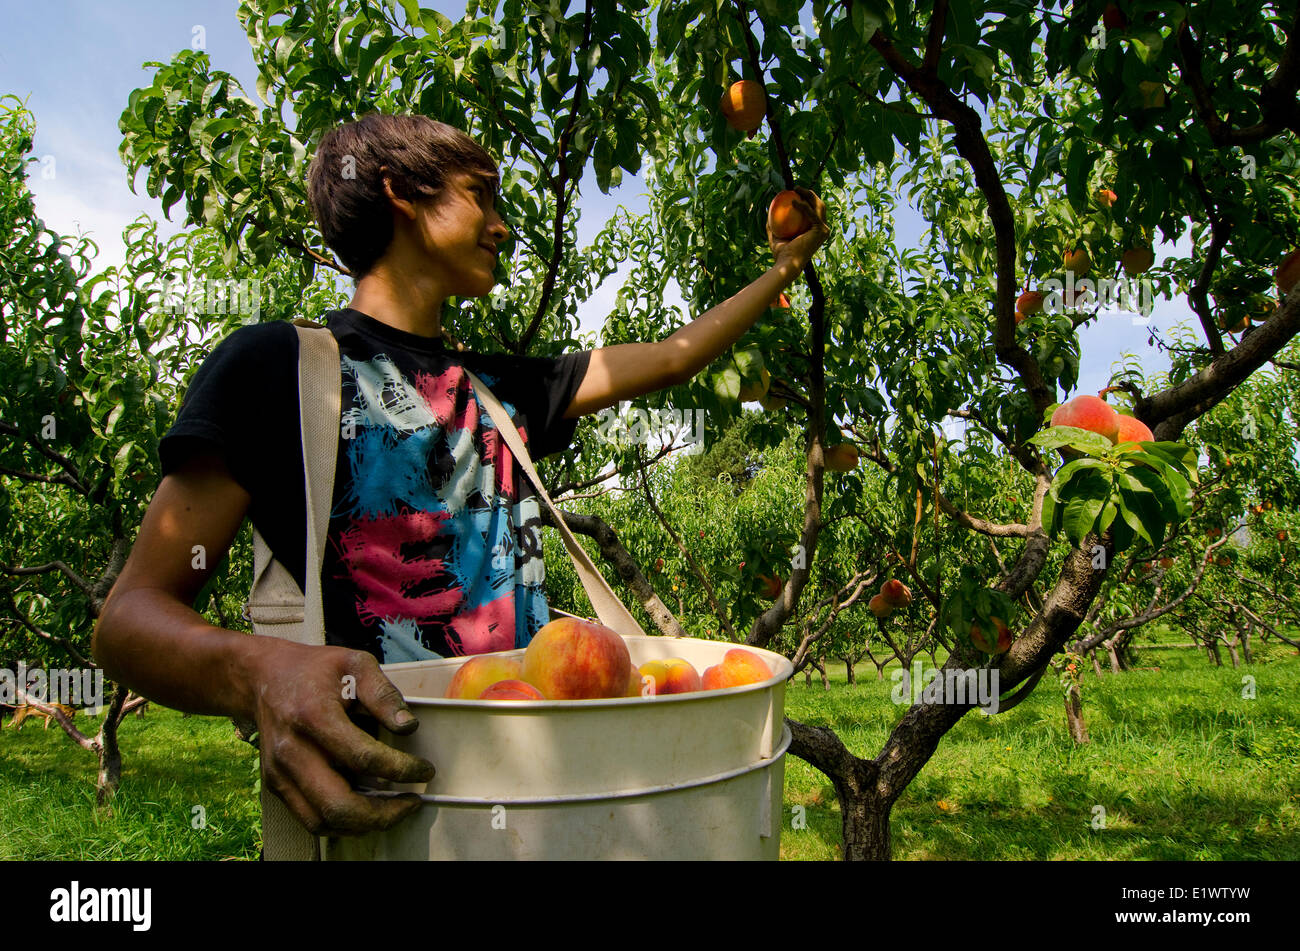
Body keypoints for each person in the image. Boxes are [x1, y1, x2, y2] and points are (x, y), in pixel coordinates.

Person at [91, 113, 828, 840]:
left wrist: (787, 268)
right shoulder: (277, 371)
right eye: (482, 194)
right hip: (397, 816)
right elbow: (128, 621)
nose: (503, 225)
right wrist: (258, 674)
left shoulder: (498, 395)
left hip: (549, 804)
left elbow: (673, 355)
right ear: (400, 192)